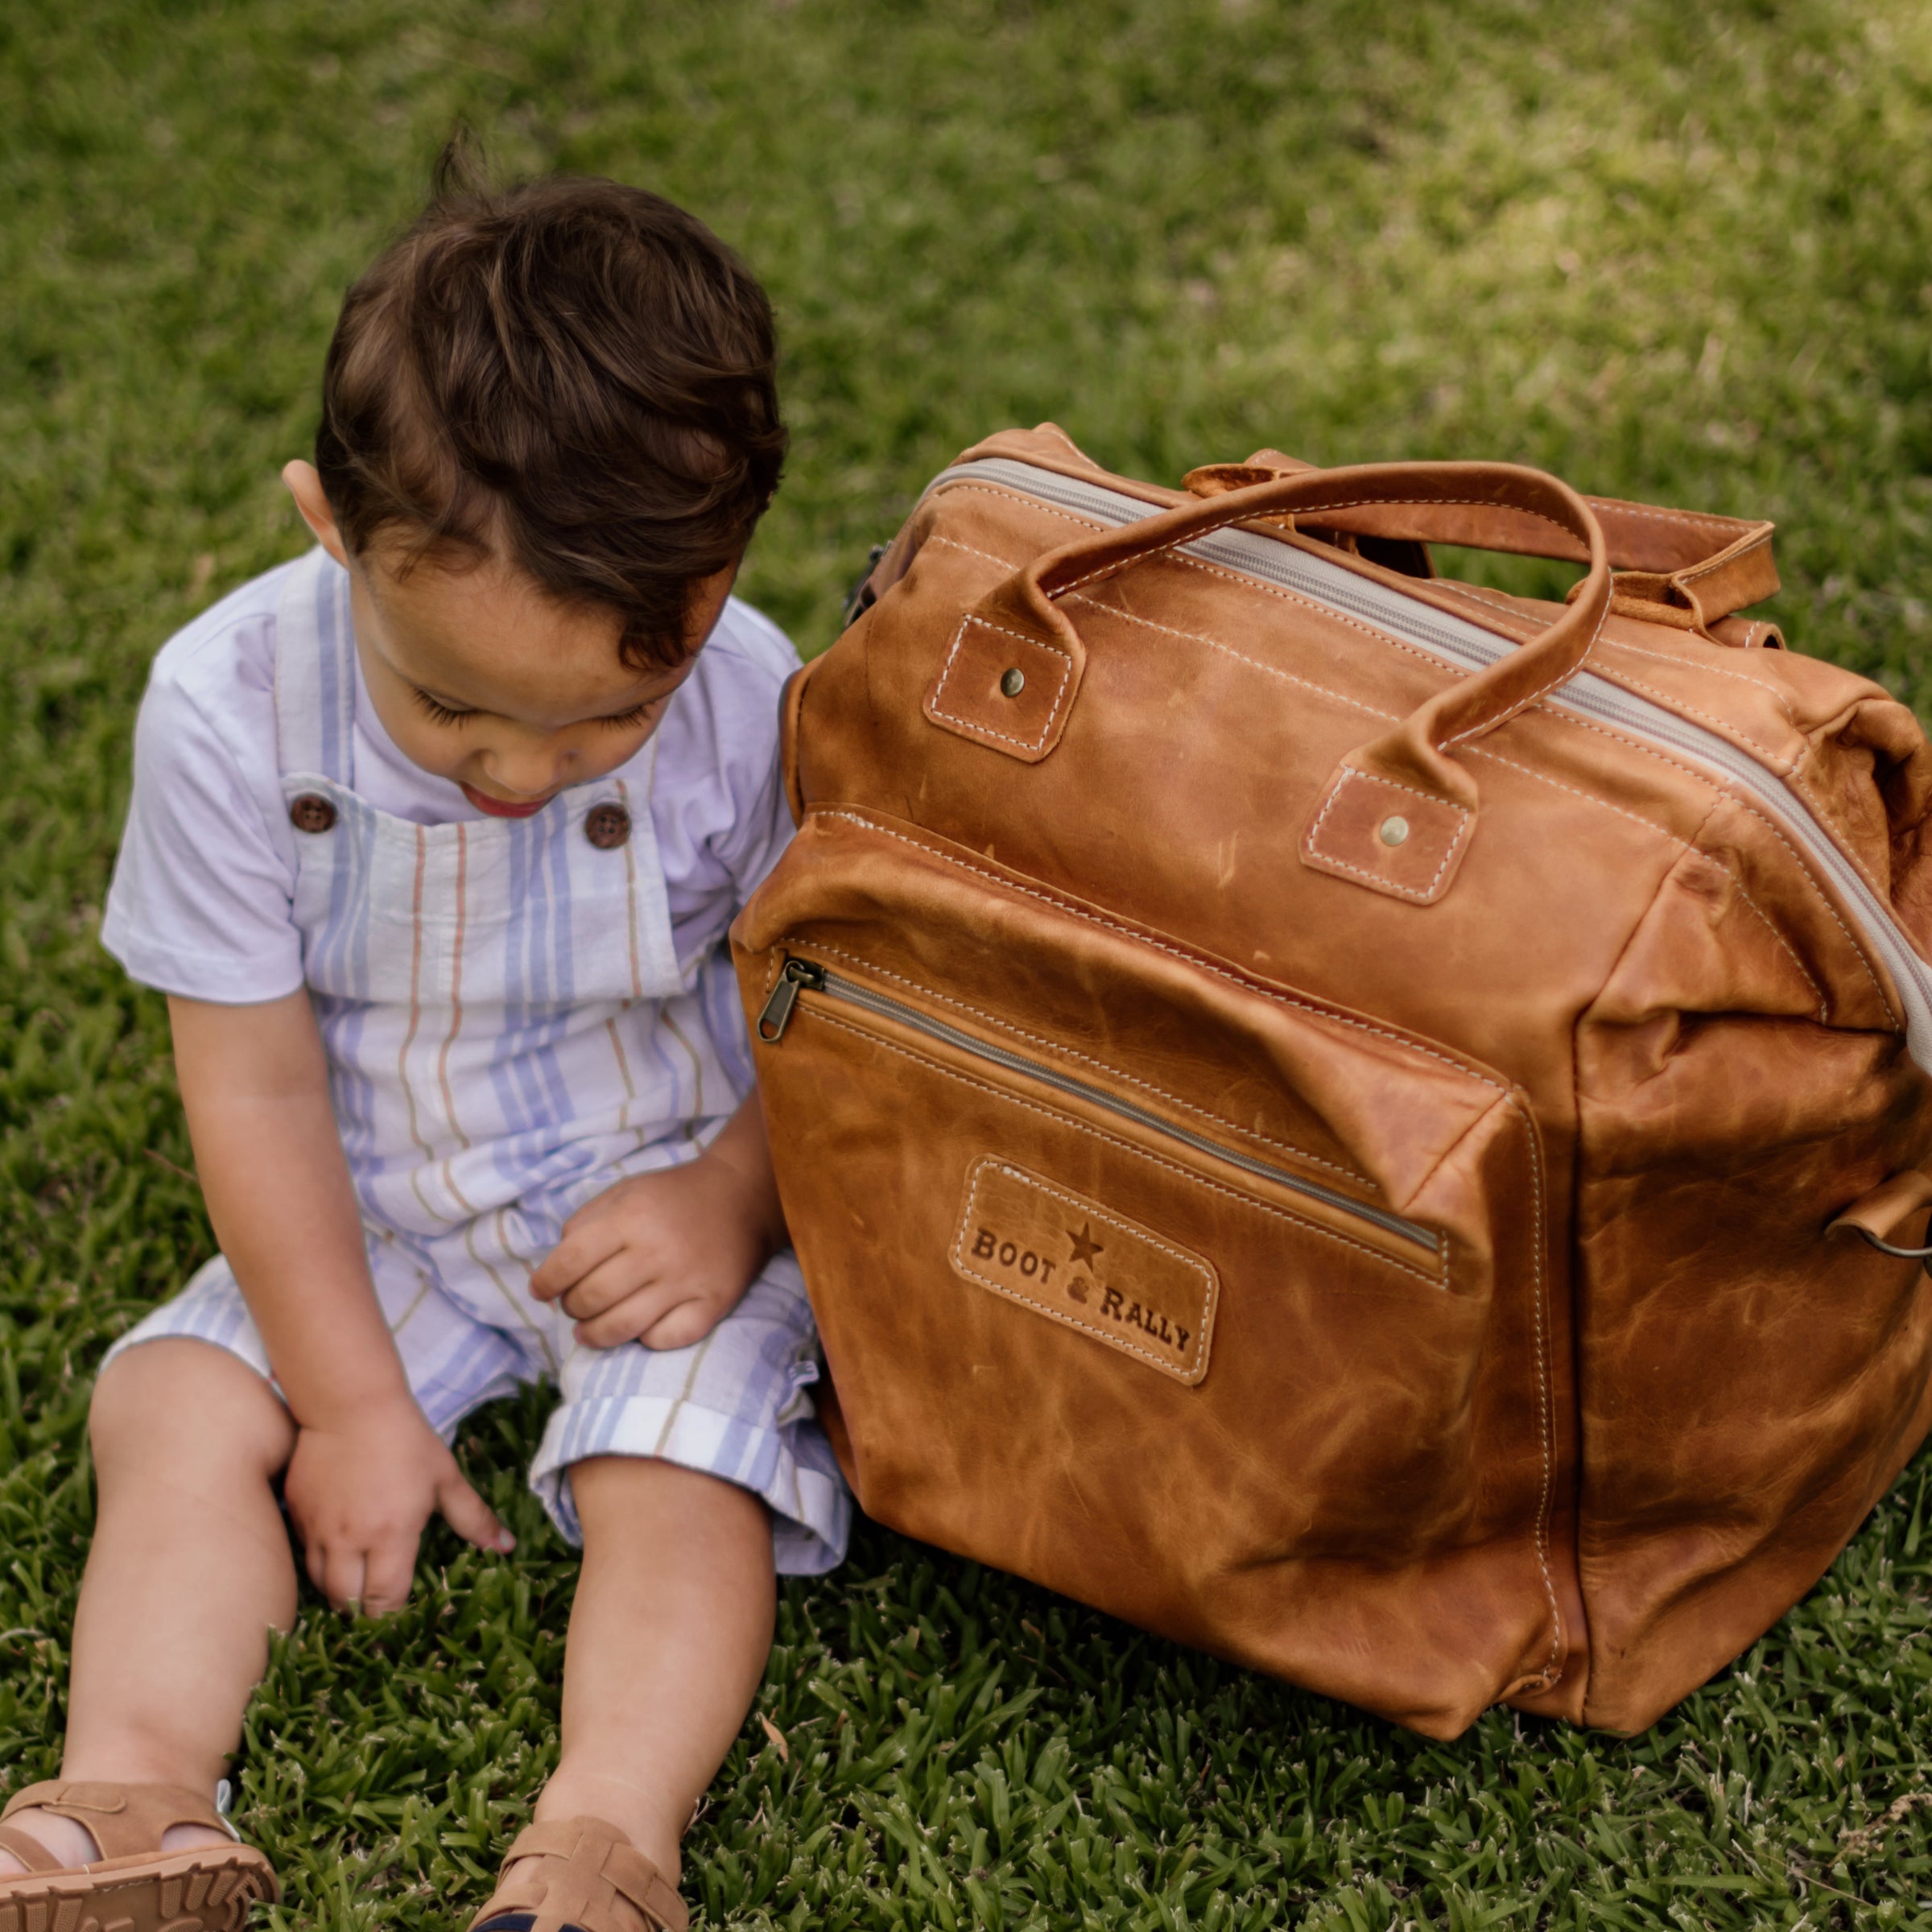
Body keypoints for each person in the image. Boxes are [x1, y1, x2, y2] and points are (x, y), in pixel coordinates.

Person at [0, 155, 848, 1932]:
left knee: (674, 1461)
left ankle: (603, 1843)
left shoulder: (757, 698)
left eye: (611, 712)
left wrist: (734, 1199)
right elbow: (252, 1078)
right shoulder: (230, 711)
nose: (523, 772)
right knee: (171, 1401)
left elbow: (822, 1005)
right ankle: (133, 1797)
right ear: (331, 523)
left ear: (714, 588)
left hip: (662, 1162)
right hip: (376, 1189)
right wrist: (355, 1402)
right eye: (450, 703)